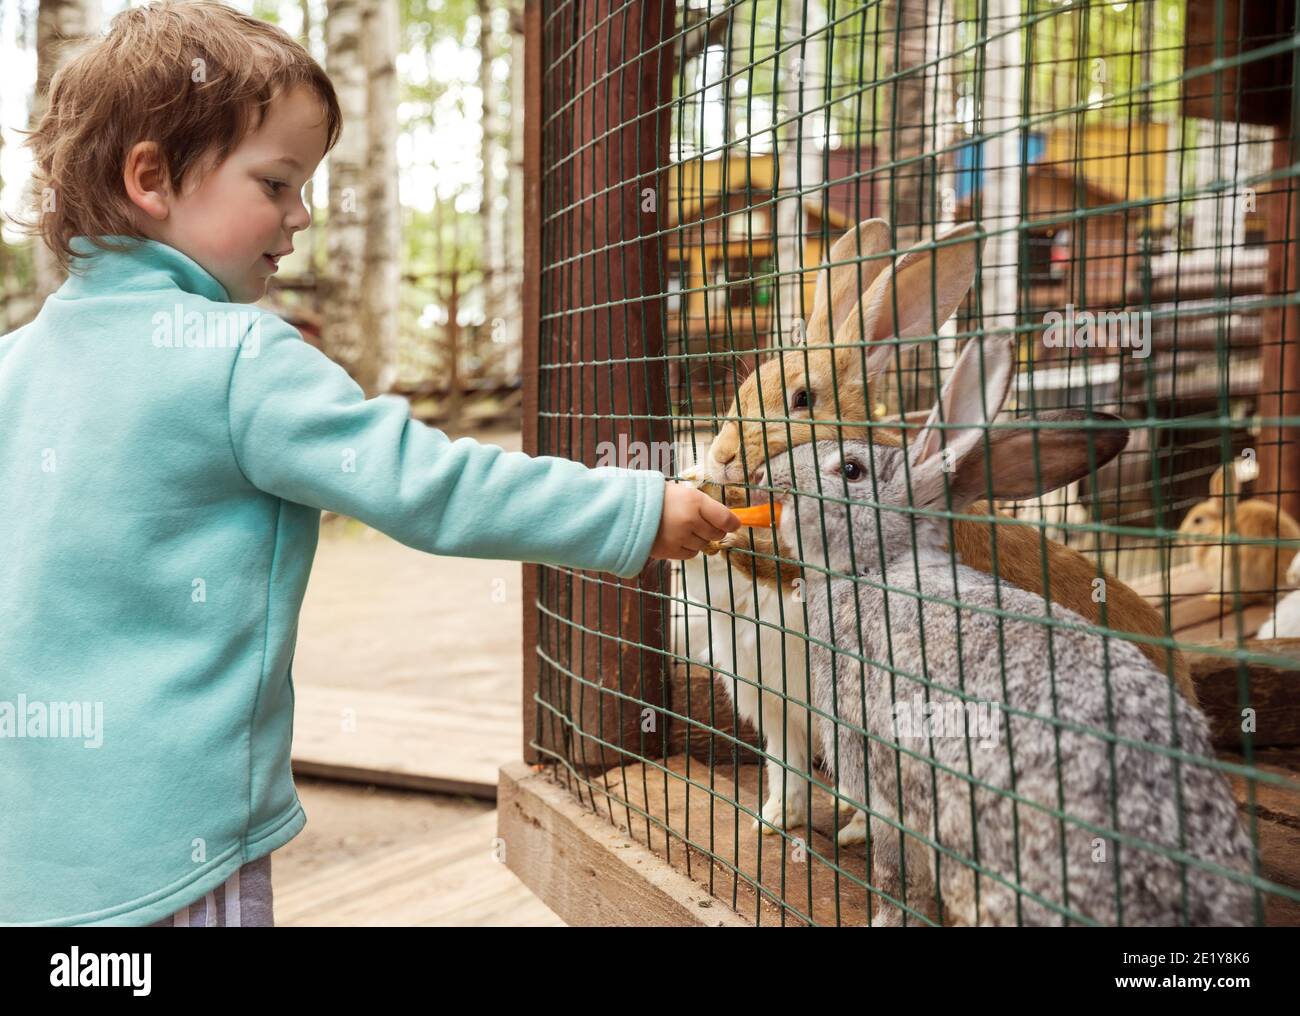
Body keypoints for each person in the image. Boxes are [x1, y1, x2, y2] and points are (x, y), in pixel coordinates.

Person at [0, 0, 738, 927]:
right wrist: (634, 512)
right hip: (176, 854)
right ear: (151, 177)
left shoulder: (13, 366)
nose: (301, 215)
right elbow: (432, 485)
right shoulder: (237, 357)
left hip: (32, 864)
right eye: (276, 183)